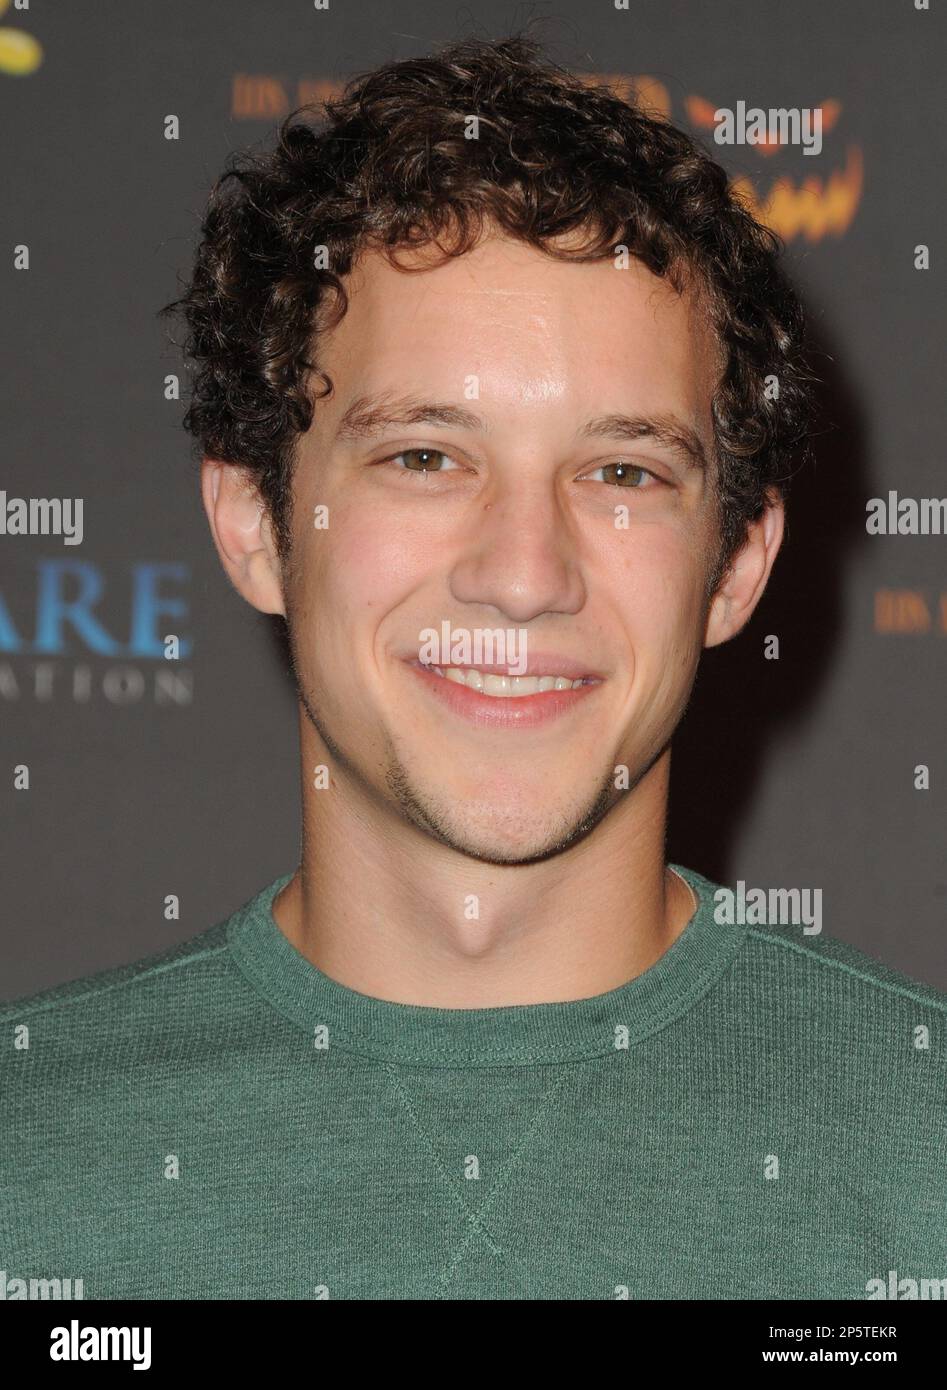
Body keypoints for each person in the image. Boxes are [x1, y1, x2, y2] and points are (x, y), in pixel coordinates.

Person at [2, 33, 944, 1302]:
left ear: (733, 569)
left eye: (622, 474)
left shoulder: (918, 1147)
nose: (521, 571)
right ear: (253, 527)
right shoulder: (30, 1164)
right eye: (424, 457)